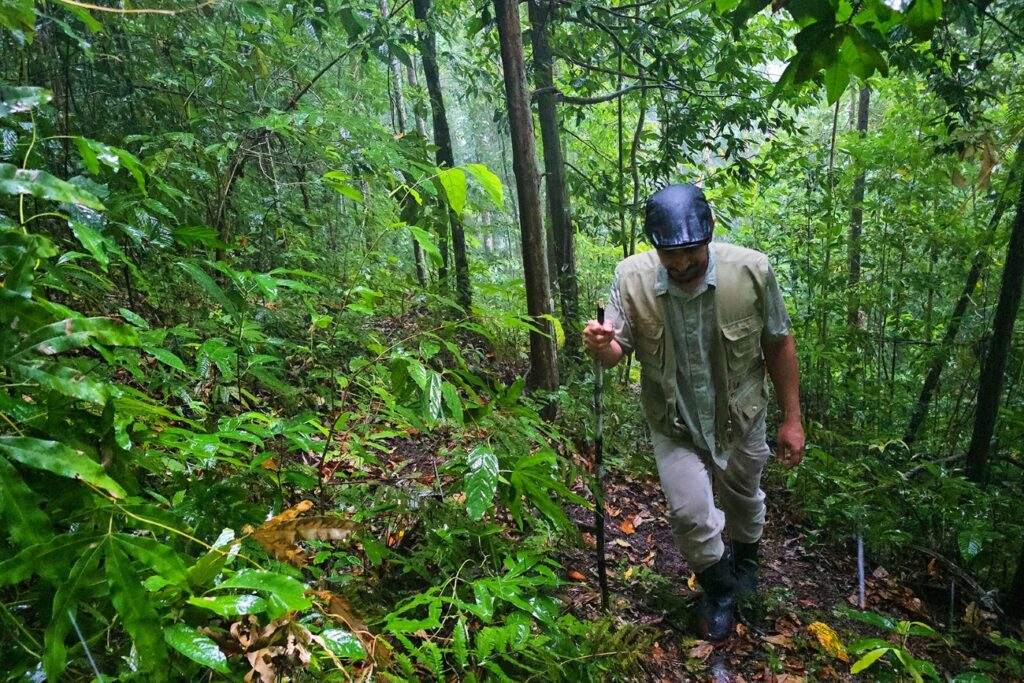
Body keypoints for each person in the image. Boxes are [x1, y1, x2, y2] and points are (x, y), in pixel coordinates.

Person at [583, 183, 805, 642]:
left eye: (691, 252)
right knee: (689, 514)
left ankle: (746, 564)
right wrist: (601, 346)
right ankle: (720, 590)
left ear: (709, 236)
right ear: (655, 246)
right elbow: (615, 352)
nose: (682, 263)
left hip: (740, 417)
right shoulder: (631, 279)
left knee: (744, 501)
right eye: (670, 254)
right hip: (674, 422)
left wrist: (792, 419)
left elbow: (778, 342)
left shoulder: (751, 272)